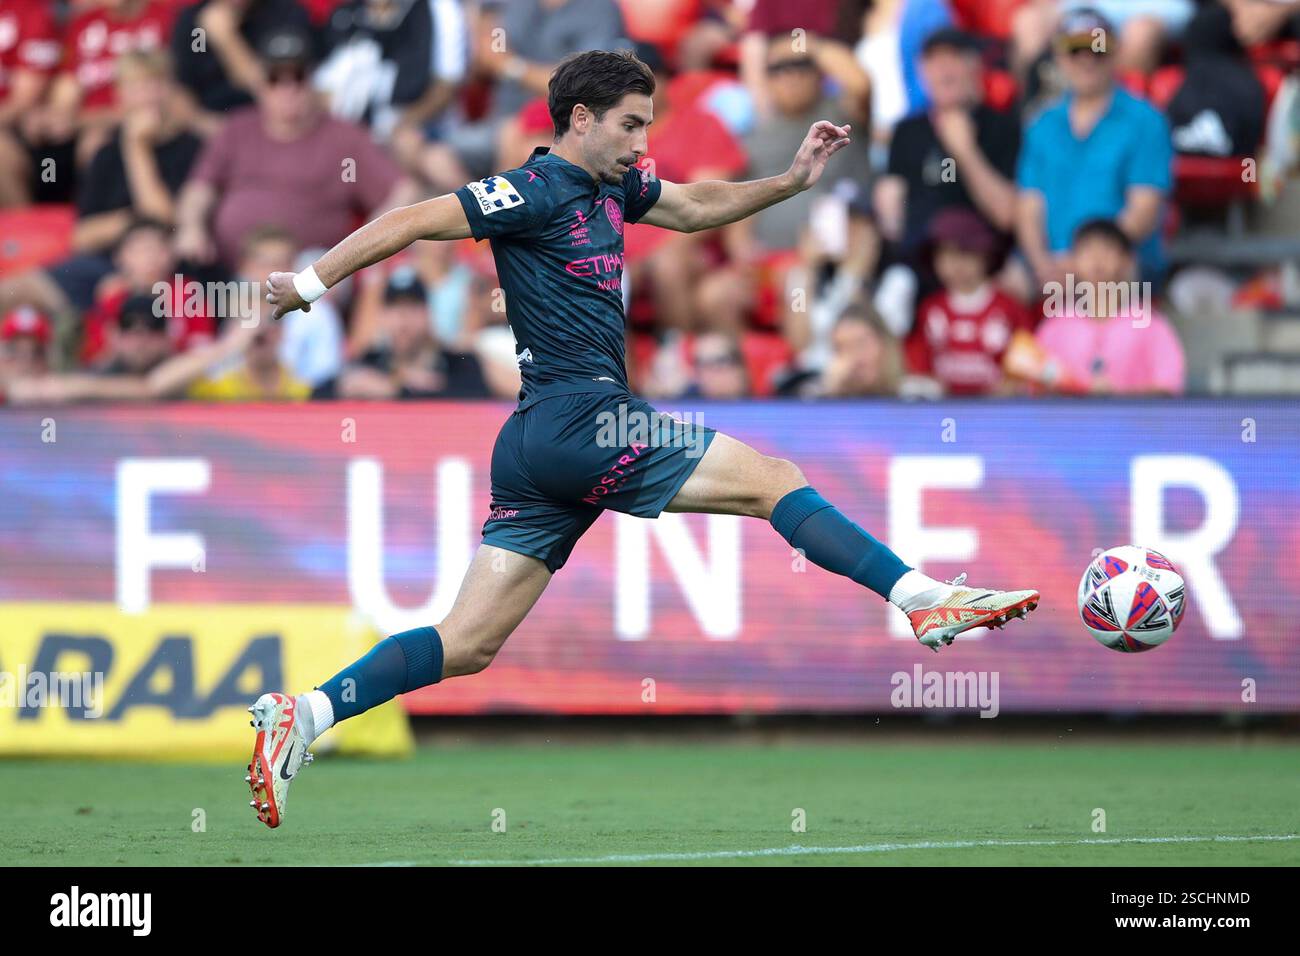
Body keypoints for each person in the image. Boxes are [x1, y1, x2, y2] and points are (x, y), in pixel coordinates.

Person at [247, 49, 1039, 829]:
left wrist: (792, 182)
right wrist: (308, 286)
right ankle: (922, 600)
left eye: (648, 126)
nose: (642, 143)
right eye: (630, 126)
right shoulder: (530, 187)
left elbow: (694, 207)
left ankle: (305, 715)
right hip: (583, 420)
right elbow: (412, 219)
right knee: (773, 478)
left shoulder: (614, 184)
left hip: (535, 443)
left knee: (466, 644)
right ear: (581, 119)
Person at [1007, 218, 1185, 395]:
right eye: (1087, 249)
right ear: (1072, 260)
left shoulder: (1151, 324)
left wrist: (1116, 397)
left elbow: (1168, 389)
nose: (1097, 259)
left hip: (1132, 422)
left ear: (1127, 261)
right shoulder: (1055, 325)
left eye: (1107, 249)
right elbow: (1033, 387)